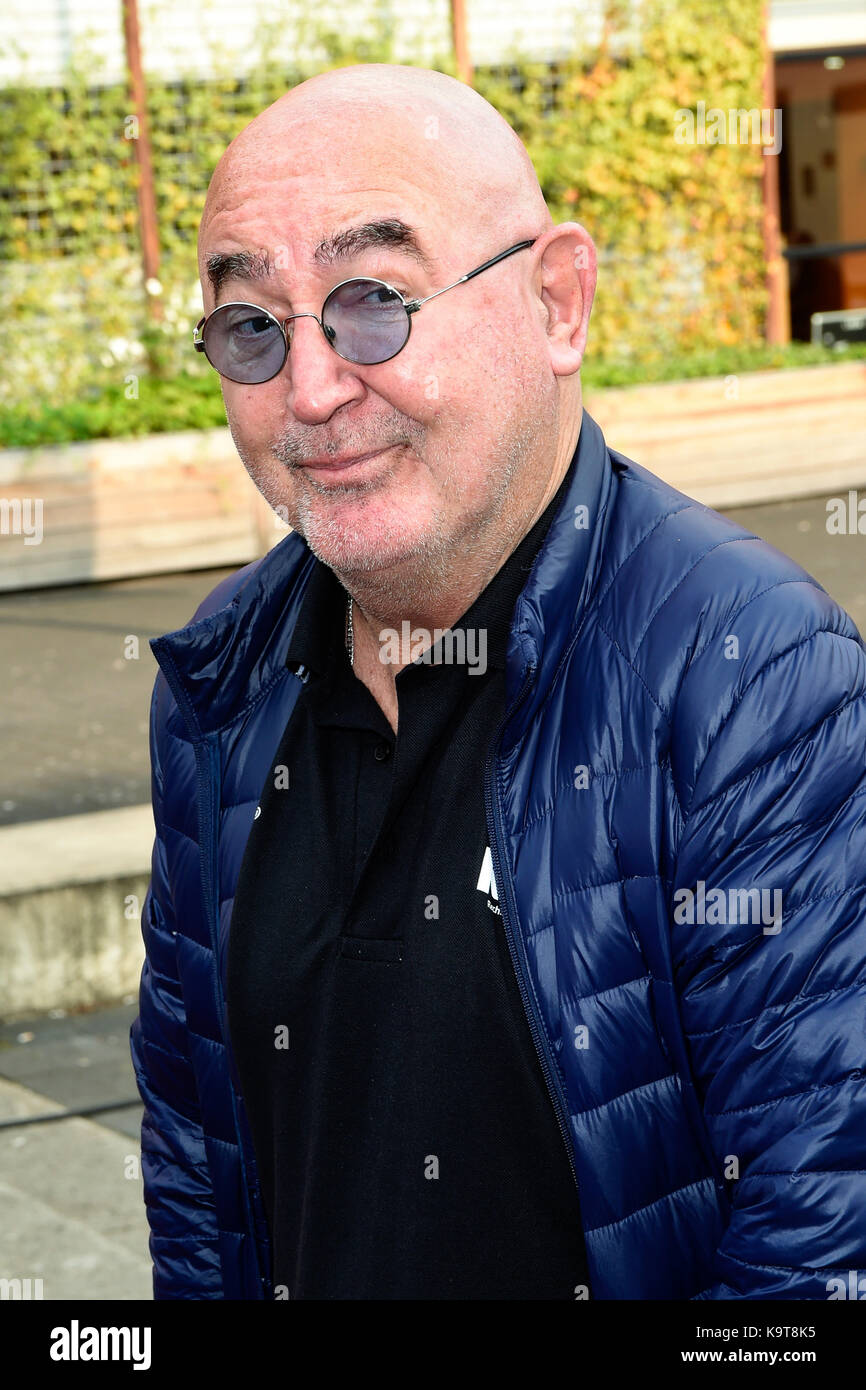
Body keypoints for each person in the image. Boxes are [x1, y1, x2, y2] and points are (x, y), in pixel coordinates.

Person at [130, 62, 866, 1301]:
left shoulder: (749, 679)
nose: (310, 391)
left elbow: (816, 1249)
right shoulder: (219, 675)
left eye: (374, 300)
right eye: (253, 325)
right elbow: (201, 1177)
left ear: (556, 301)